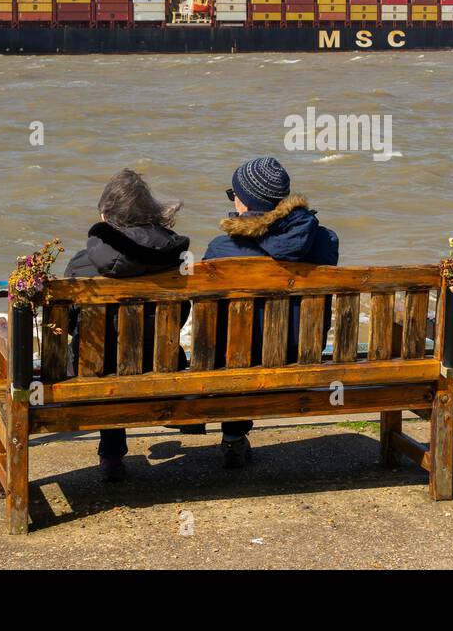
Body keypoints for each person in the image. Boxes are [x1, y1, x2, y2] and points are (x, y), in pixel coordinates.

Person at [203, 156, 340, 468]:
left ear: (247, 202)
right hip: (304, 352)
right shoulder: (325, 241)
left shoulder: (222, 250)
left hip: (241, 362)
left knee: (236, 345)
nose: (233, 200)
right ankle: (235, 438)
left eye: (233, 195)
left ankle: (234, 437)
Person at [64, 169, 190, 483]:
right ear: (151, 215)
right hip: (163, 369)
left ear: (106, 217)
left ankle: (110, 457)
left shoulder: (82, 264)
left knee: (100, 353)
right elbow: (183, 314)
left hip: (92, 376)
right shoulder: (178, 262)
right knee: (125, 349)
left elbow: (67, 322)